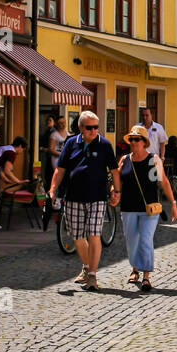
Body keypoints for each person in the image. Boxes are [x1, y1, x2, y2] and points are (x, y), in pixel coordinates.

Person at [49, 110, 119, 292]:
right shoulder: (71, 143)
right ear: (81, 128)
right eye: (89, 128)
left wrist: (116, 190)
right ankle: (87, 267)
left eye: (96, 127)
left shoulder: (104, 144)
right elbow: (61, 169)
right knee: (78, 237)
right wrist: (52, 189)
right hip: (73, 197)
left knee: (94, 234)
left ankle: (93, 275)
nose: (94, 131)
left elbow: (114, 170)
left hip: (97, 197)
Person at [116, 125, 177, 291]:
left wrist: (173, 203)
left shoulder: (153, 159)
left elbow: (163, 182)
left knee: (145, 239)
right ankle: (135, 269)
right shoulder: (124, 160)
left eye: (137, 139)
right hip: (128, 207)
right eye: (132, 139)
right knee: (132, 240)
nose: (134, 142)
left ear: (144, 142)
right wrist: (114, 193)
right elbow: (117, 181)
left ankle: (146, 277)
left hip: (148, 208)